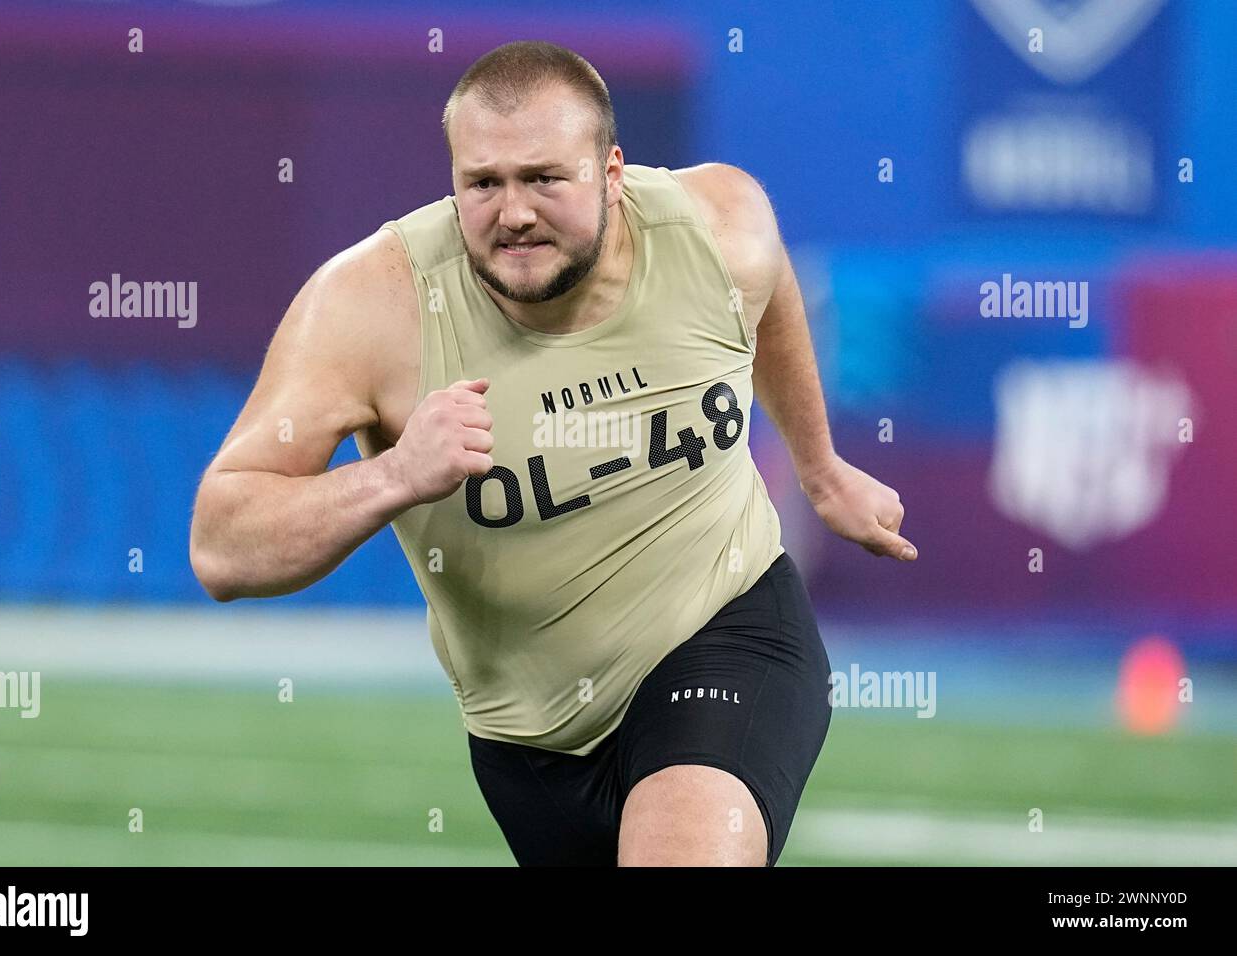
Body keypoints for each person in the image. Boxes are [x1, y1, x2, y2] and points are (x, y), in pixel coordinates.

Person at [189, 40, 916, 867]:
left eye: (544, 179)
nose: (515, 213)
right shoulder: (370, 305)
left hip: (726, 632)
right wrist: (394, 474)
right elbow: (221, 545)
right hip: (525, 740)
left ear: (611, 173)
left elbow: (772, 284)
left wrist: (819, 470)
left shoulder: (713, 227)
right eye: (483, 184)